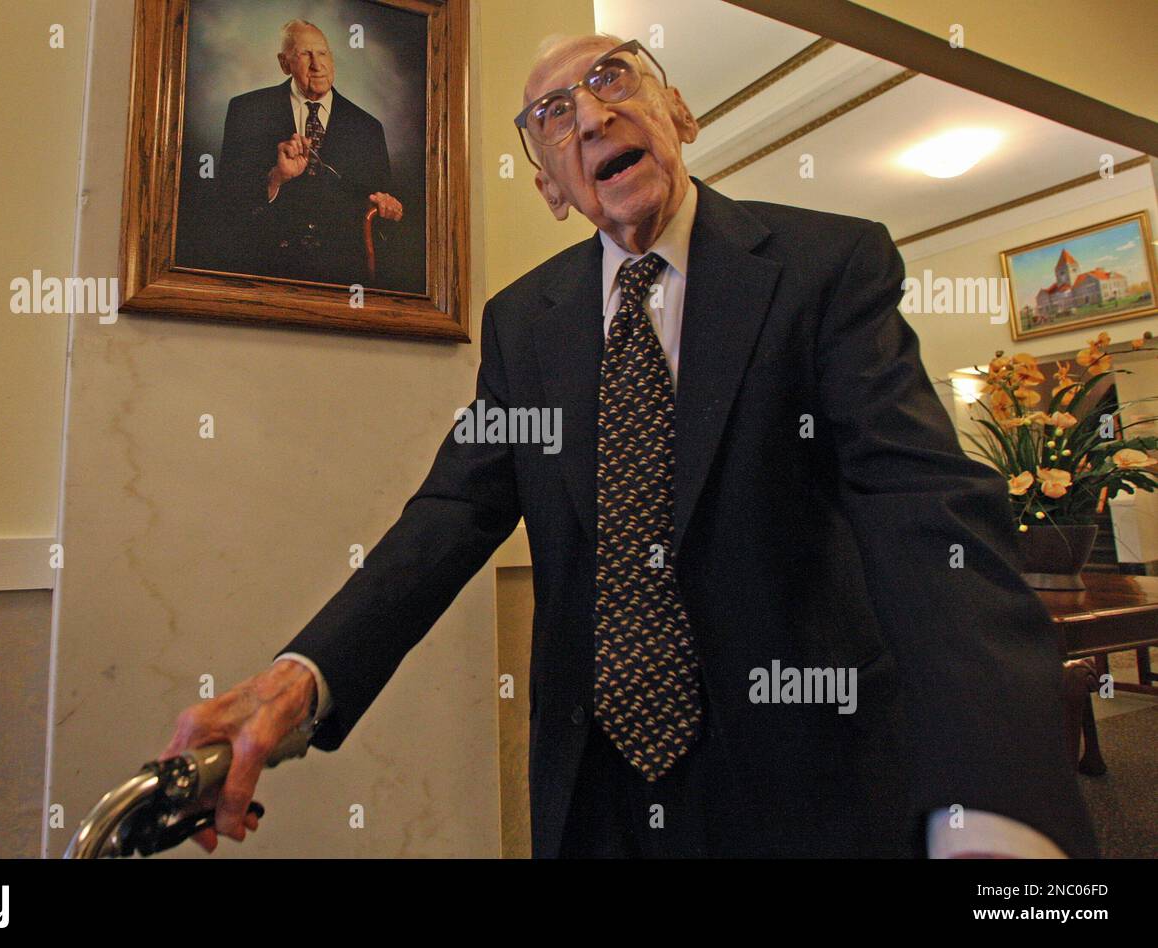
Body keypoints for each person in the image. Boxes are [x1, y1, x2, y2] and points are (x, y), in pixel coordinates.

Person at [164, 33, 1096, 859]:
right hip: (597, 792)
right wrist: (304, 675)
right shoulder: (526, 323)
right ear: (550, 186)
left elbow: (923, 512)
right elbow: (452, 512)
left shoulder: (826, 269)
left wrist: (994, 801)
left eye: (615, 79)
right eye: (554, 114)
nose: (593, 114)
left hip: (809, 779)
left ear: (677, 112)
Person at [215, 19, 402, 285]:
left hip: (341, 280)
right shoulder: (247, 111)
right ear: (284, 63)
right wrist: (275, 179)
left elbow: (384, 211)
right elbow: (226, 202)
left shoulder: (368, 127)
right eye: (305, 54)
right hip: (264, 274)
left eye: (323, 53)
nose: (317, 65)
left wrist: (388, 208)